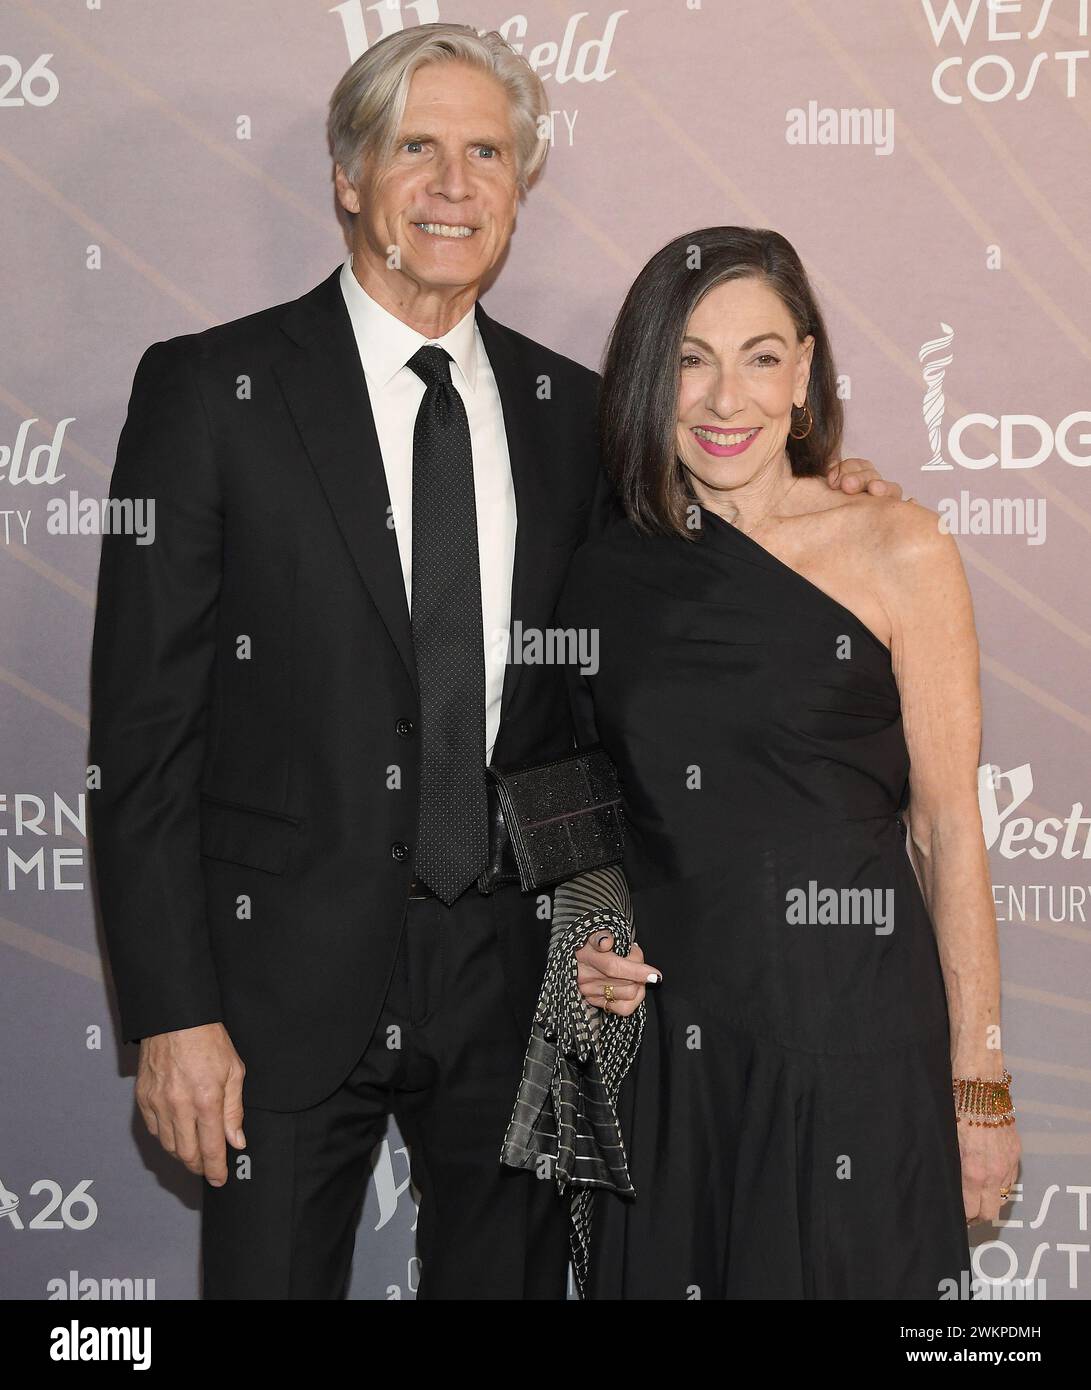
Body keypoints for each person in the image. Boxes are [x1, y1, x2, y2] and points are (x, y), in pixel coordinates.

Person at [87, 27, 895, 1301]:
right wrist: (172, 1013)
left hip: (517, 983)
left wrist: (830, 493)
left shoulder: (576, 415)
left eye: (487, 153)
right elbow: (143, 737)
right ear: (349, 175)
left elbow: (687, 575)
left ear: (519, 186)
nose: (453, 185)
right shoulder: (211, 391)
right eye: (417, 147)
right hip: (275, 984)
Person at [560, 226, 1020, 1299]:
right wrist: (586, 935)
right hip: (671, 1048)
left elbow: (946, 827)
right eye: (690, 359)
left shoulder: (897, 547)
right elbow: (578, 804)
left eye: (760, 357)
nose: (726, 399)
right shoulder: (601, 571)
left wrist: (978, 1087)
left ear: (804, 372)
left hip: (855, 1034)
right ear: (647, 374)